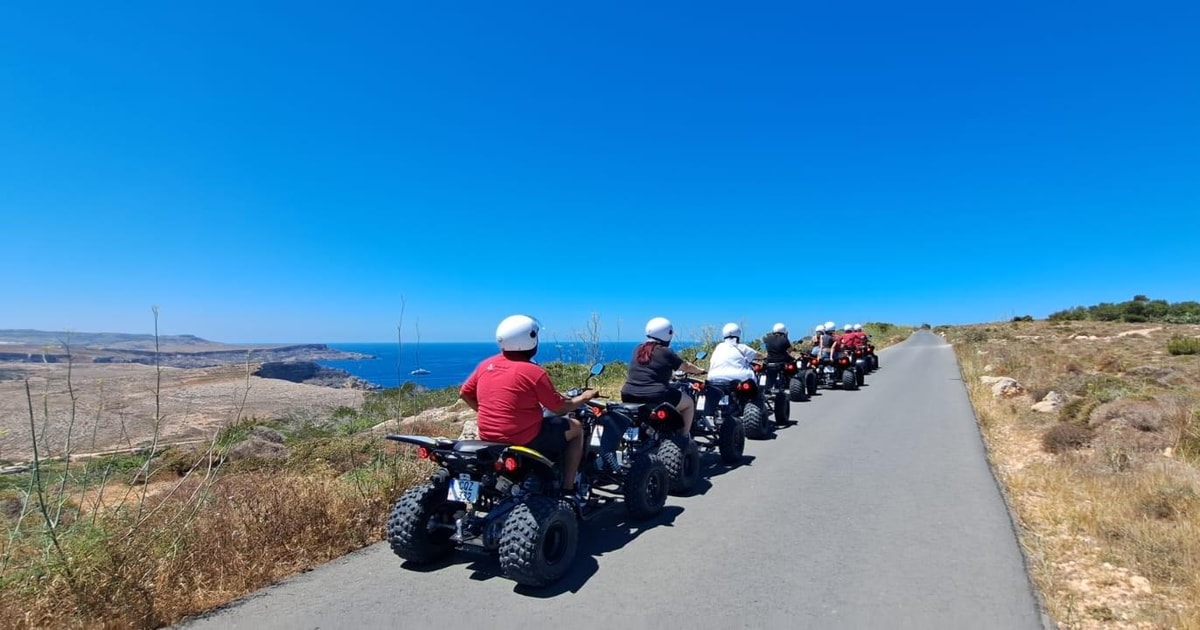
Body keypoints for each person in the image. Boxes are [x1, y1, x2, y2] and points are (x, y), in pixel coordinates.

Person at [459, 314, 598, 497]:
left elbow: (464, 393)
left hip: (487, 435)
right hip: (523, 437)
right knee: (577, 428)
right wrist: (585, 397)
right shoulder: (533, 372)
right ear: (530, 339)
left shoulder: (486, 364)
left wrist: (487, 411)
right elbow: (559, 408)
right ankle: (568, 487)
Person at [620, 316, 706, 439]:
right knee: (688, 404)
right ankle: (685, 439)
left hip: (628, 394)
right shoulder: (666, 351)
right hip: (656, 395)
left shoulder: (637, 349)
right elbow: (685, 366)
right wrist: (700, 371)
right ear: (668, 334)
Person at [703, 323, 766, 417]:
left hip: (714, 379)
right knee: (754, 389)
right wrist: (764, 357)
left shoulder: (718, 347)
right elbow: (758, 355)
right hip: (738, 378)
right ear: (738, 334)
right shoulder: (741, 347)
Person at [761, 322, 796, 391]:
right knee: (794, 362)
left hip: (770, 360)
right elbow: (790, 350)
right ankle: (791, 380)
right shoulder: (784, 339)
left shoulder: (768, 339)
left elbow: (764, 347)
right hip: (783, 360)